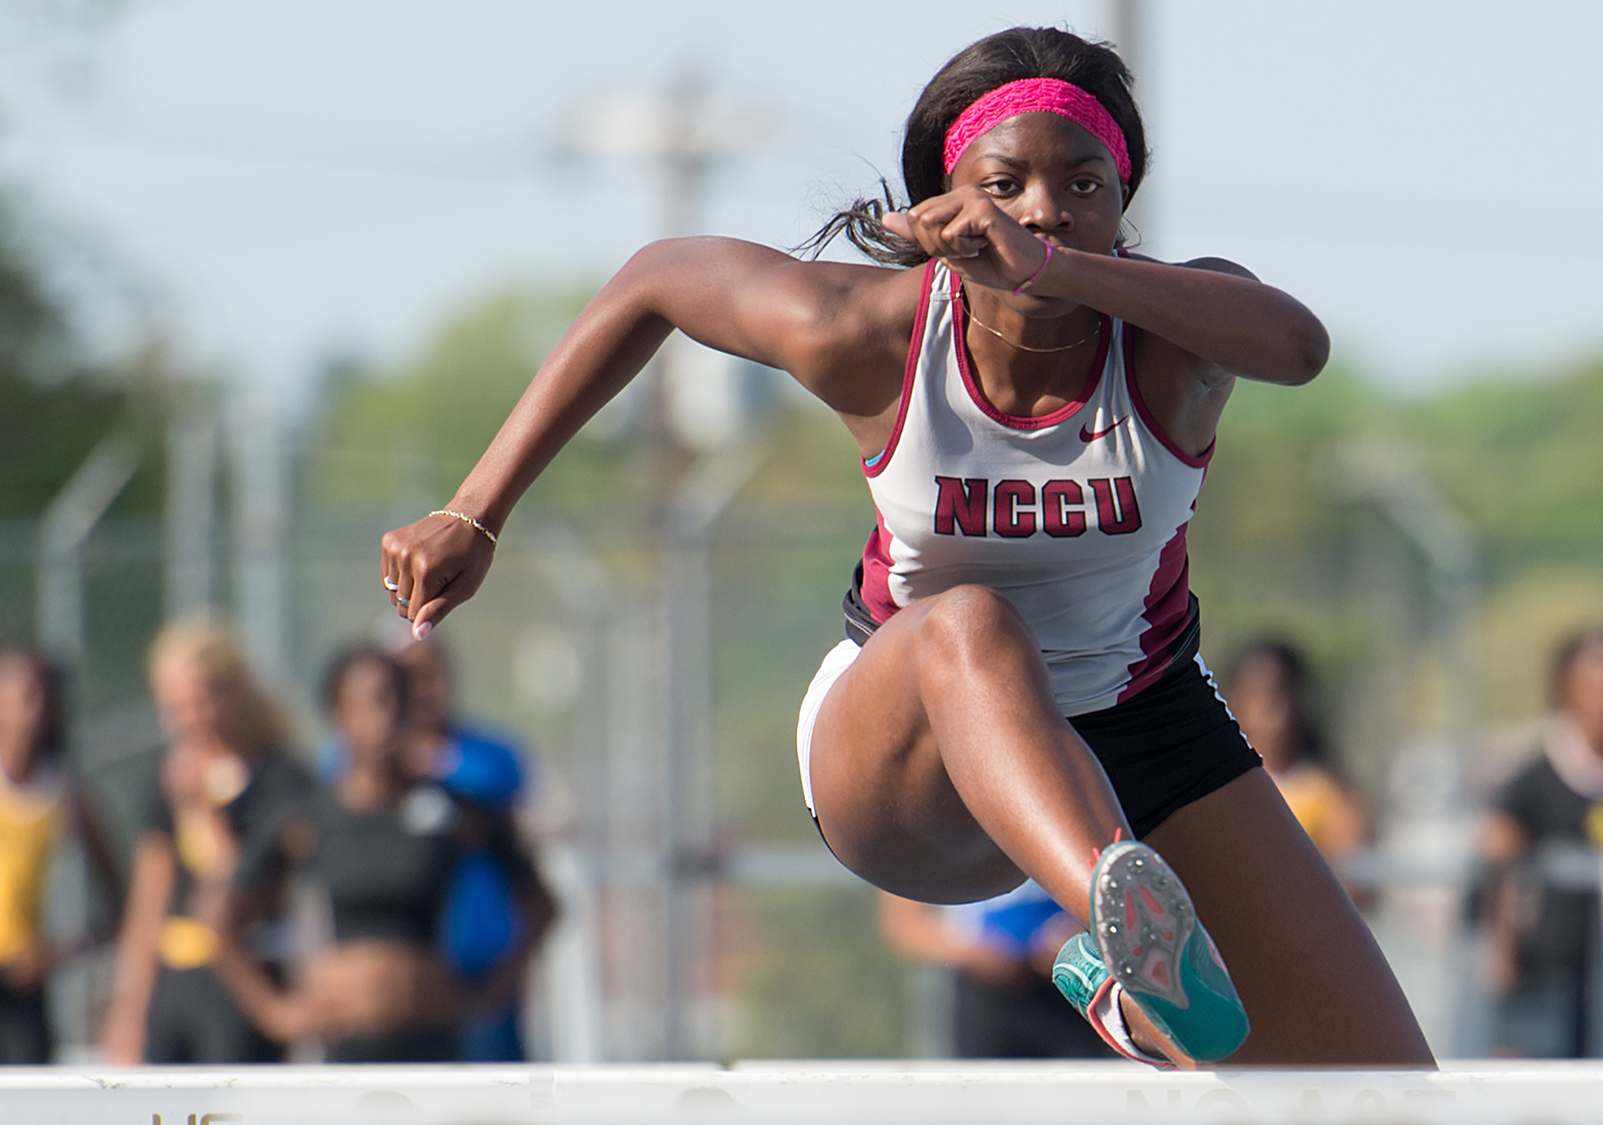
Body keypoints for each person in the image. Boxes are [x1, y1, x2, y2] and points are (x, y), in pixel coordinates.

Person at [377, 27, 1430, 1067]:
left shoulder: (1176, 340)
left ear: (1120, 205)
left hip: (1141, 721)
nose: (1043, 209)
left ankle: (1127, 946)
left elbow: (1299, 348)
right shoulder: (867, 333)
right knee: (971, 624)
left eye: (1082, 185)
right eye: (1004, 185)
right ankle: (1123, 940)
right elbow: (654, 279)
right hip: (912, 745)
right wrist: (475, 510)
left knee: (1389, 1089)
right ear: (944, 207)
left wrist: (1061, 270)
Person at [211, 646, 553, 1062]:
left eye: (399, 700)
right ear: (340, 713)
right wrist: (276, 1012)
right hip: (341, 1039)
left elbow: (541, 905)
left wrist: (489, 992)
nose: (387, 718)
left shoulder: (454, 811)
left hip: (431, 1033)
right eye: (373, 702)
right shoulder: (308, 818)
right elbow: (221, 916)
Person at [102, 617, 312, 1065]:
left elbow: (242, 884)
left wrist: (197, 811)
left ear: (233, 691)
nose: (187, 721)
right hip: (174, 979)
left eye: (198, 702)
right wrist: (128, 1009)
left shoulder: (280, 779)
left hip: (243, 979)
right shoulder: (165, 777)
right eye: (173, 707)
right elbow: (149, 898)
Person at [314, 636, 536, 1060]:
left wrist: (496, 986)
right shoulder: (325, 798)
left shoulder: (469, 779)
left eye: (421, 678)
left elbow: (534, 890)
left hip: (463, 974)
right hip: (351, 1019)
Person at [1479, 628, 1603, 1058]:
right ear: (1565, 691)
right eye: (1593, 687)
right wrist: (1501, 949)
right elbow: (1497, 868)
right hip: (1547, 973)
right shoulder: (1532, 783)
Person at [0, 647, 122, 1064]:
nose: (29, 714)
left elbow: (122, 898)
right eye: (18, 698)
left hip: (20, 985)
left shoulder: (61, 789)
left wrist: (62, 951)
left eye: (40, 699)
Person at [881, 885, 1110, 1059]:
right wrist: (976, 953)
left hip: (1071, 988)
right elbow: (905, 926)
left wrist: (1076, 939)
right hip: (980, 995)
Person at [1219, 641, 1365, 865]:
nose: (1272, 713)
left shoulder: (1326, 792)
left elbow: (1351, 874)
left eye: (1278, 697)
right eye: (1257, 698)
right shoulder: (1219, 789)